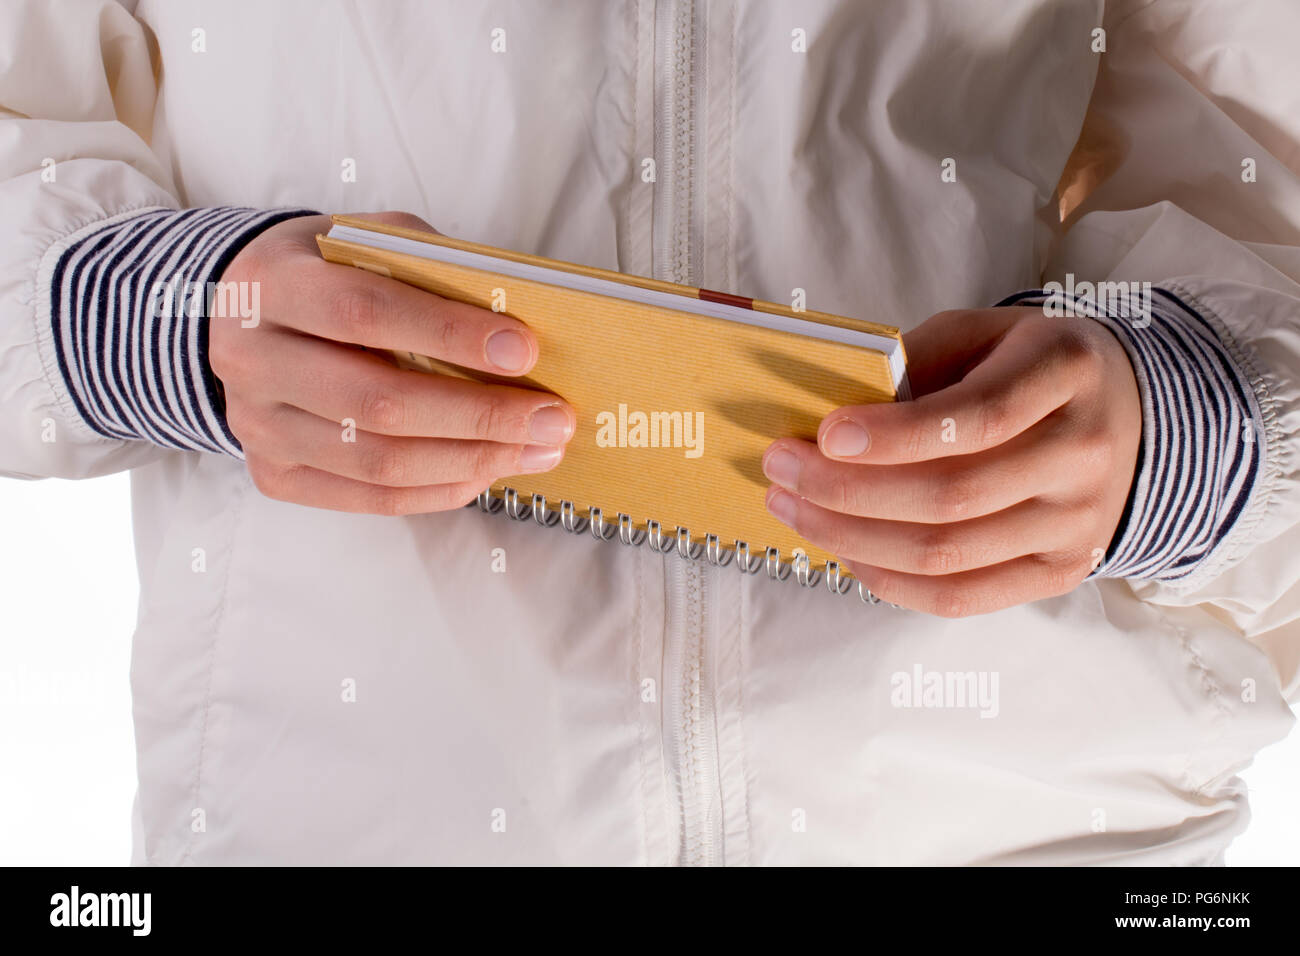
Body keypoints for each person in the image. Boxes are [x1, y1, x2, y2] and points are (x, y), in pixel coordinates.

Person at [2, 0, 1297, 866]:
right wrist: (167, 319)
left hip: (1042, 828)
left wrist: (1185, 428)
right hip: (357, 826)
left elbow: (1270, 191)